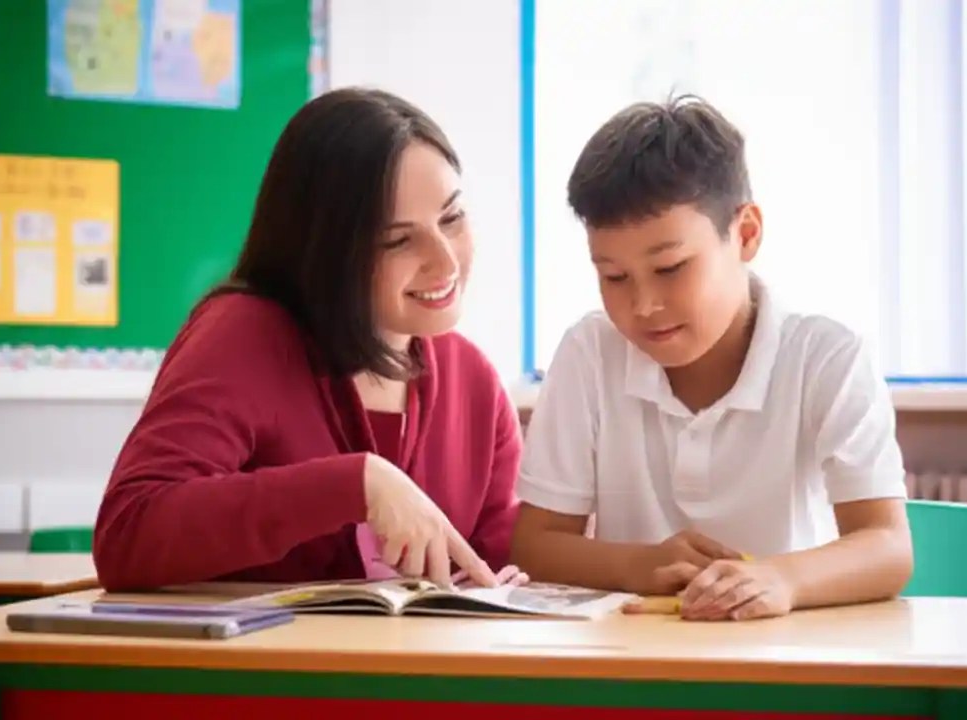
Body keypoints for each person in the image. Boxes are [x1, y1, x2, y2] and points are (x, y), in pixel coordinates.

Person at [93, 88, 524, 592]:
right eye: (399, 240)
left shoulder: (472, 378)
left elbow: (497, 569)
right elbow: (129, 534)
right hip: (257, 668)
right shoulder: (243, 334)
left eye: (451, 219)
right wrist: (355, 482)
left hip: (415, 669)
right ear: (327, 250)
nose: (446, 262)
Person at [510, 95, 913, 621]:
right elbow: (535, 546)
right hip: (630, 667)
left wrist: (780, 578)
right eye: (613, 277)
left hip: (785, 663)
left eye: (671, 267)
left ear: (745, 234)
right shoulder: (589, 352)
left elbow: (887, 546)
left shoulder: (827, 358)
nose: (643, 305)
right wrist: (639, 565)